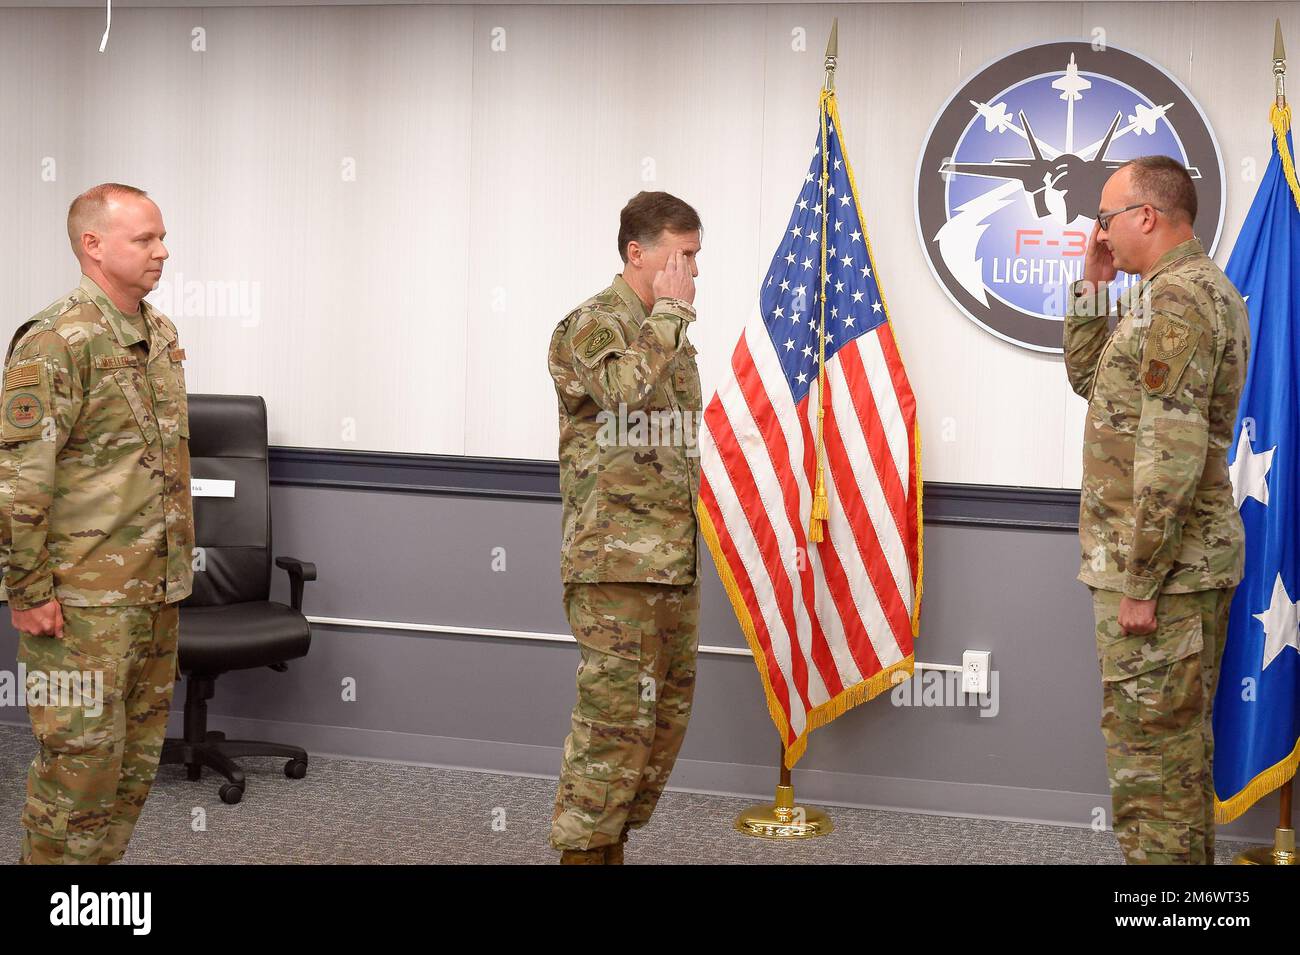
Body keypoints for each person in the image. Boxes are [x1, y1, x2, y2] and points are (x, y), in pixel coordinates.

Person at [1063, 156, 1249, 864]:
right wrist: (1092, 288)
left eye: (1106, 219)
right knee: (1176, 765)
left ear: (1147, 215)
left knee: (1152, 776)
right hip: (1174, 568)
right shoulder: (1172, 294)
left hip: (1163, 578)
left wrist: (1142, 579)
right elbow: (1092, 380)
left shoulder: (1178, 302)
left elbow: (1169, 451)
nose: (1100, 234)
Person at [3, 182, 195, 864]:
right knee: (76, 779)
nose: (162, 251)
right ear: (93, 244)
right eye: (144, 239)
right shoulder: (54, 340)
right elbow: (20, 481)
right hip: (80, 608)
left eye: (161, 236)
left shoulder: (159, 331)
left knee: (130, 775)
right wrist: (27, 593)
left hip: (153, 599)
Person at [546, 191, 703, 864]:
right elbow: (620, 392)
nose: (692, 273)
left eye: (696, 258)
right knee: (613, 731)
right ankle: (581, 852)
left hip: (670, 564)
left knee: (658, 729)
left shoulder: (672, 336)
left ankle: (608, 849)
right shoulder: (592, 324)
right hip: (612, 569)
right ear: (637, 253)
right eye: (681, 256)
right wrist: (668, 316)